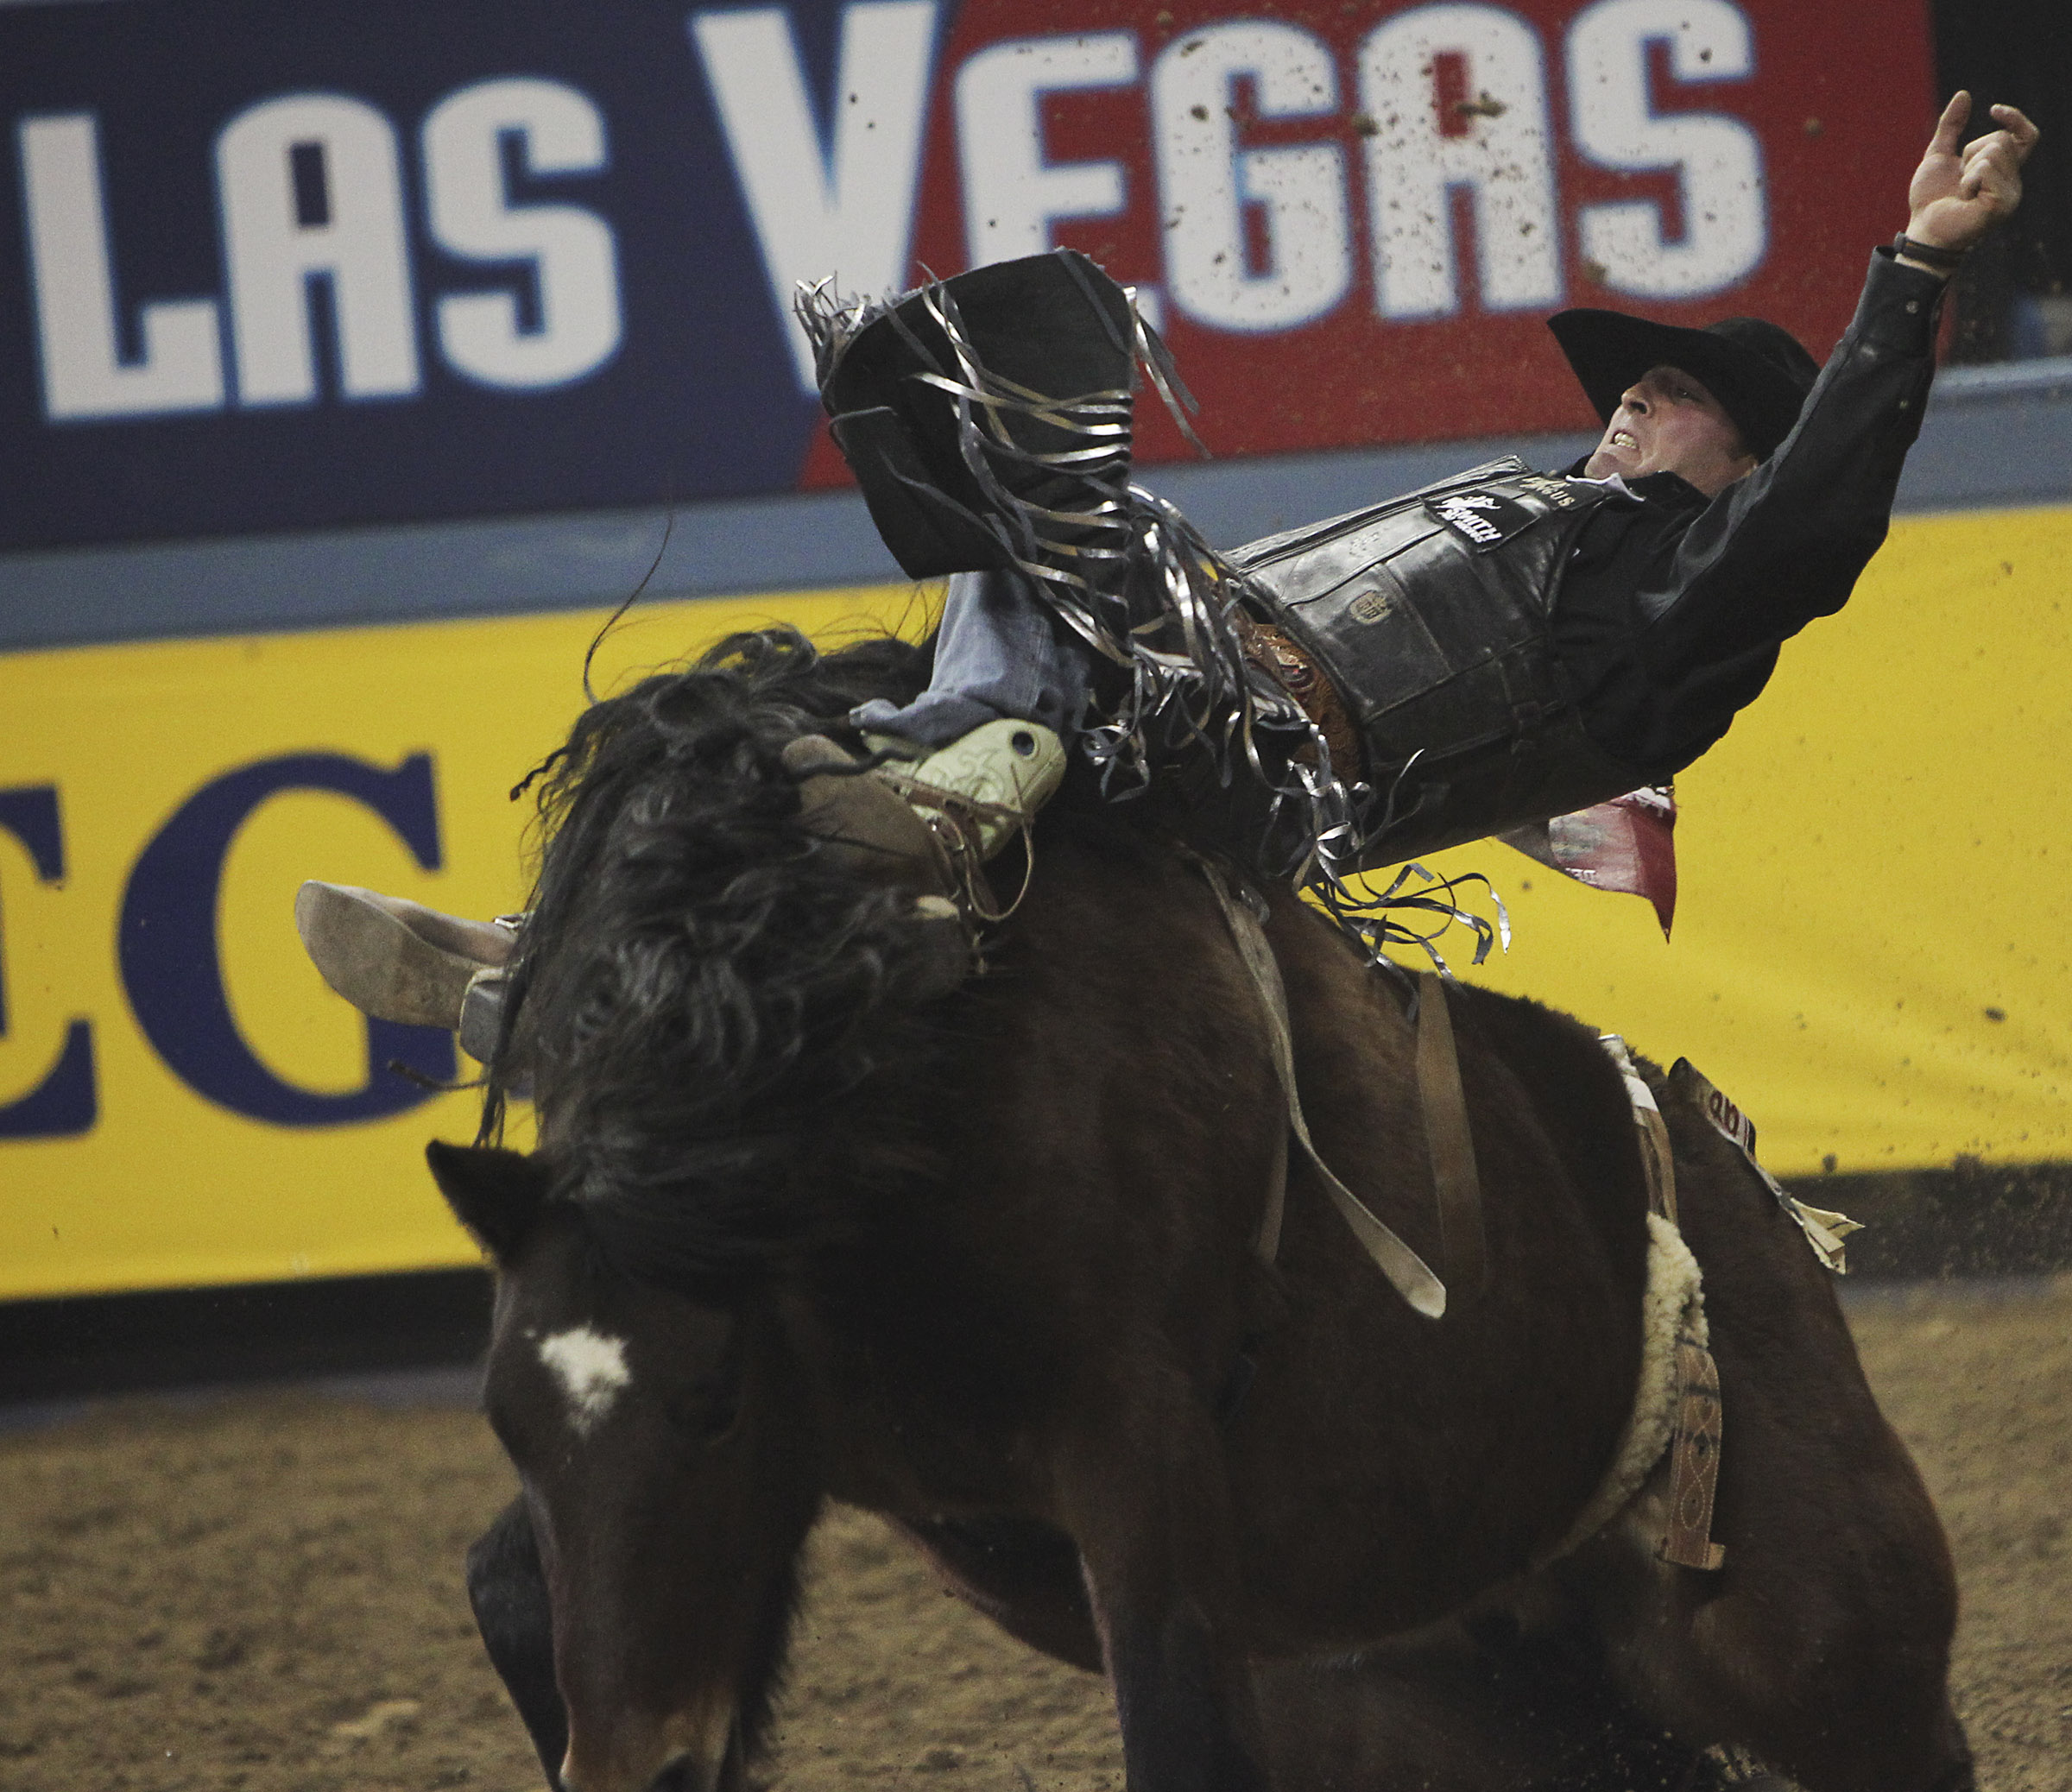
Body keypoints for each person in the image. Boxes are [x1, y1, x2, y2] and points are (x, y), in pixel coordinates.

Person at [296, 93, 2034, 1047]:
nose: (1624, 414)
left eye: (1665, 403)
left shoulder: (1691, 607)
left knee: (1034, 466)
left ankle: (952, 775)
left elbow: (1819, 518)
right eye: (1631, 391)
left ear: (1742, 459)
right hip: (1167, 669)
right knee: (992, 548)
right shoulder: (1552, 519)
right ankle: (564, 956)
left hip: (1256, 762)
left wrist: (1907, 270)